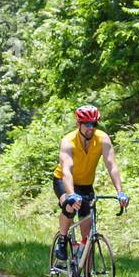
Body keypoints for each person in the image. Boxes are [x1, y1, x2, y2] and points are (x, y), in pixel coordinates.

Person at [52, 105, 128, 265]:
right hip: (64, 181)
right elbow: (66, 170)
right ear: (78, 124)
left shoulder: (102, 139)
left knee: (88, 235)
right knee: (69, 205)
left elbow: (112, 165)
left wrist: (120, 191)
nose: (90, 128)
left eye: (94, 124)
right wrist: (71, 194)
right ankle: (63, 239)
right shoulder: (68, 141)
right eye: (86, 124)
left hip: (86, 185)